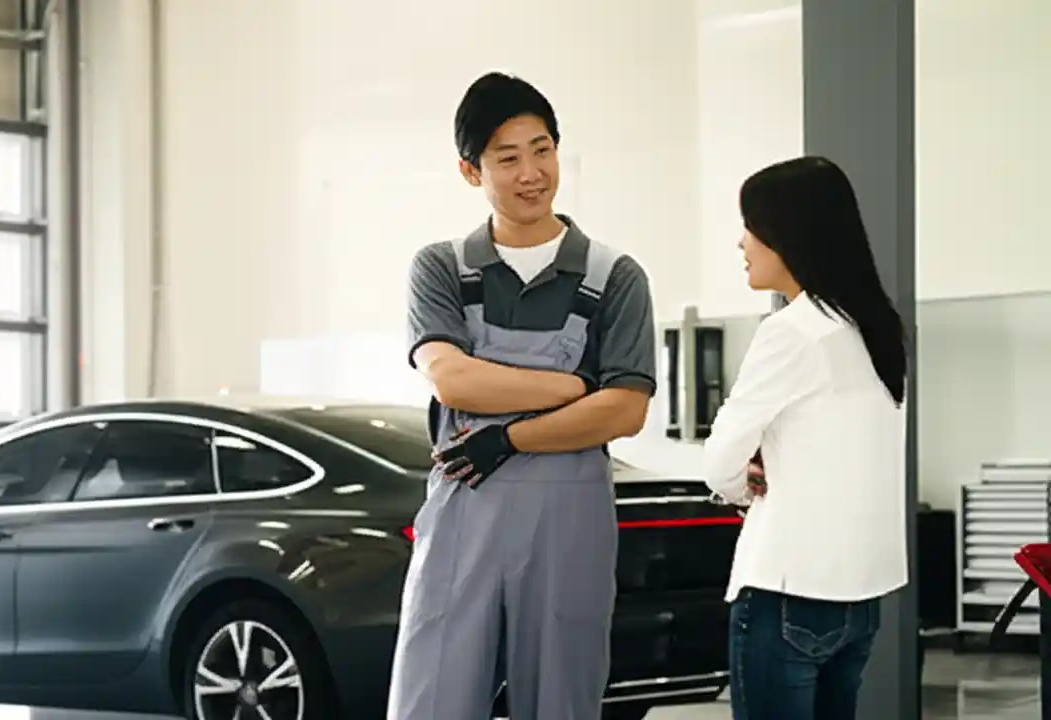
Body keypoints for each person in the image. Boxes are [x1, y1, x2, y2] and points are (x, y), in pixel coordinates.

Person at [387, 71, 657, 720]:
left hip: (569, 523)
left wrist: (505, 436)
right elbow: (452, 378)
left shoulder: (614, 277)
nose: (531, 171)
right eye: (508, 157)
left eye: (543, 149)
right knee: (431, 699)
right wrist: (570, 389)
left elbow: (625, 410)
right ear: (469, 170)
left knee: (562, 702)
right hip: (463, 518)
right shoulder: (440, 267)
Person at [702, 156, 909, 719]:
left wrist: (742, 486)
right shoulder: (874, 326)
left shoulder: (792, 330)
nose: (741, 242)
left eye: (750, 225)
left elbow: (720, 457)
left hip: (787, 590)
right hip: (861, 597)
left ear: (787, 234)